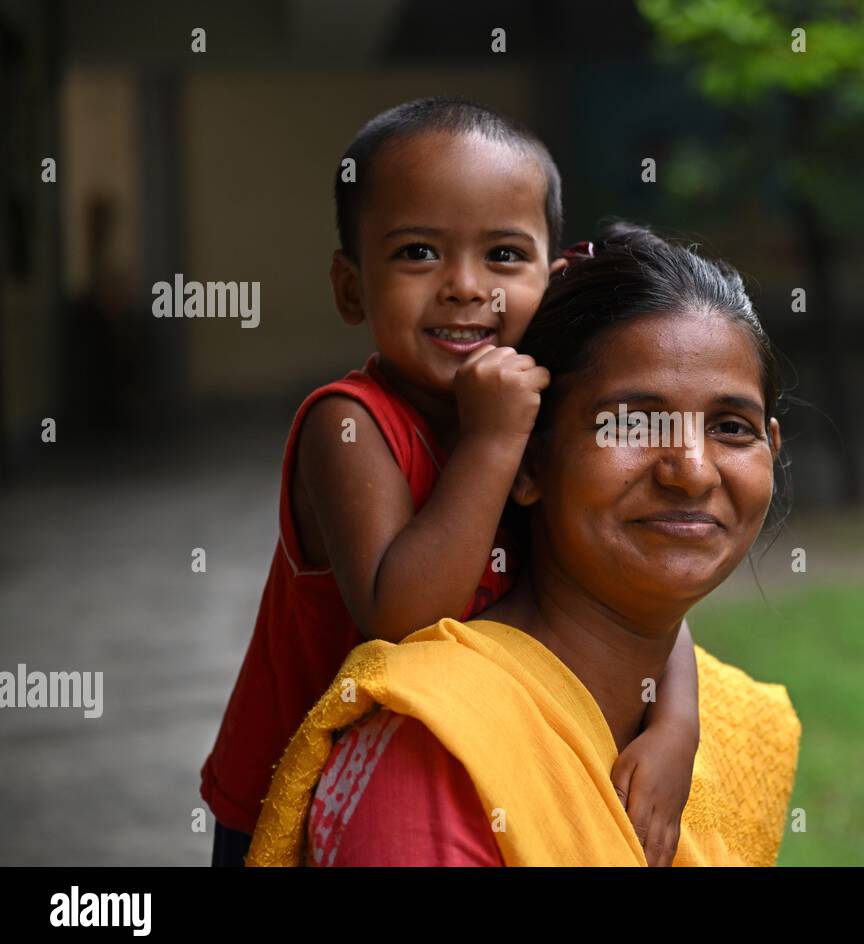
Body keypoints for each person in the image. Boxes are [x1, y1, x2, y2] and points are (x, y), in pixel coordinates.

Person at [200, 100, 702, 865]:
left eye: (504, 255)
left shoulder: (545, 411)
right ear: (350, 287)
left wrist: (675, 729)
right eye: (417, 254)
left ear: (554, 277)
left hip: (458, 768)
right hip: (298, 804)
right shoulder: (351, 427)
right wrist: (493, 440)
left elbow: (631, 589)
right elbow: (403, 621)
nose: (466, 287)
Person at [247, 223, 801, 867]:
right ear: (527, 462)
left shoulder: (729, 721)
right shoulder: (439, 755)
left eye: (731, 428)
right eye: (631, 423)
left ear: (774, 451)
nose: (693, 470)